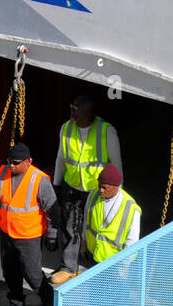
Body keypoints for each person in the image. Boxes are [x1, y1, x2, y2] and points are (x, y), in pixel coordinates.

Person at [0, 142, 62, 306]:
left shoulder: (39, 180)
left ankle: (49, 301)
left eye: (16, 162)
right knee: (10, 271)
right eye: (10, 161)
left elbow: (53, 210)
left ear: (28, 162)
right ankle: (17, 304)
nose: (11, 165)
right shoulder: (1, 174)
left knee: (33, 274)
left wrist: (52, 234)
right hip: (7, 233)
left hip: (29, 236)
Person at [52, 95, 121, 282]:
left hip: (96, 192)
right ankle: (68, 267)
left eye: (75, 108)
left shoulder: (107, 131)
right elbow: (61, 158)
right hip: (72, 187)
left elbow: (116, 166)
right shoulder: (66, 128)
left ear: (88, 111)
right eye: (71, 107)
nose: (72, 111)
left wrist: (116, 195)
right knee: (68, 227)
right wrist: (56, 185)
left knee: (95, 229)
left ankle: (95, 267)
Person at [82, 164, 140, 266]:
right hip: (93, 255)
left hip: (115, 263)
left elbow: (132, 240)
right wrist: (83, 241)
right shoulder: (93, 195)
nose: (100, 190)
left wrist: (125, 264)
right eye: (99, 185)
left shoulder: (131, 209)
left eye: (105, 188)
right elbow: (86, 220)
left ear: (116, 187)